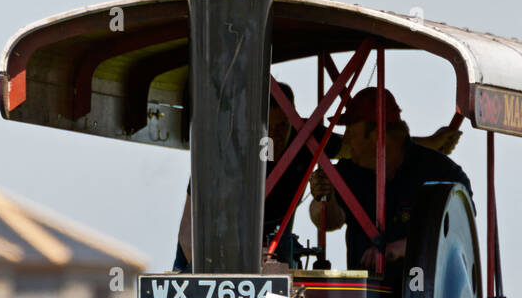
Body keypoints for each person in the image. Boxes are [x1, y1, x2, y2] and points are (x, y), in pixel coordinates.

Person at [173, 83, 334, 270]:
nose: (275, 135)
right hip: (210, 259)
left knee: (289, 289)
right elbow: (188, 235)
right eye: (267, 128)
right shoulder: (222, 152)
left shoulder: (308, 138)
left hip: (274, 257)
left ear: (294, 121)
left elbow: (355, 146)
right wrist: (239, 264)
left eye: (282, 126)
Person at [308, 88, 472, 271]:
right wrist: (324, 197)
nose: (345, 140)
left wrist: (404, 246)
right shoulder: (348, 171)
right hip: (366, 295)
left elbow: (459, 231)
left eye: (350, 131)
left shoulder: (442, 172)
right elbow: (328, 222)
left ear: (377, 135)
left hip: (424, 293)